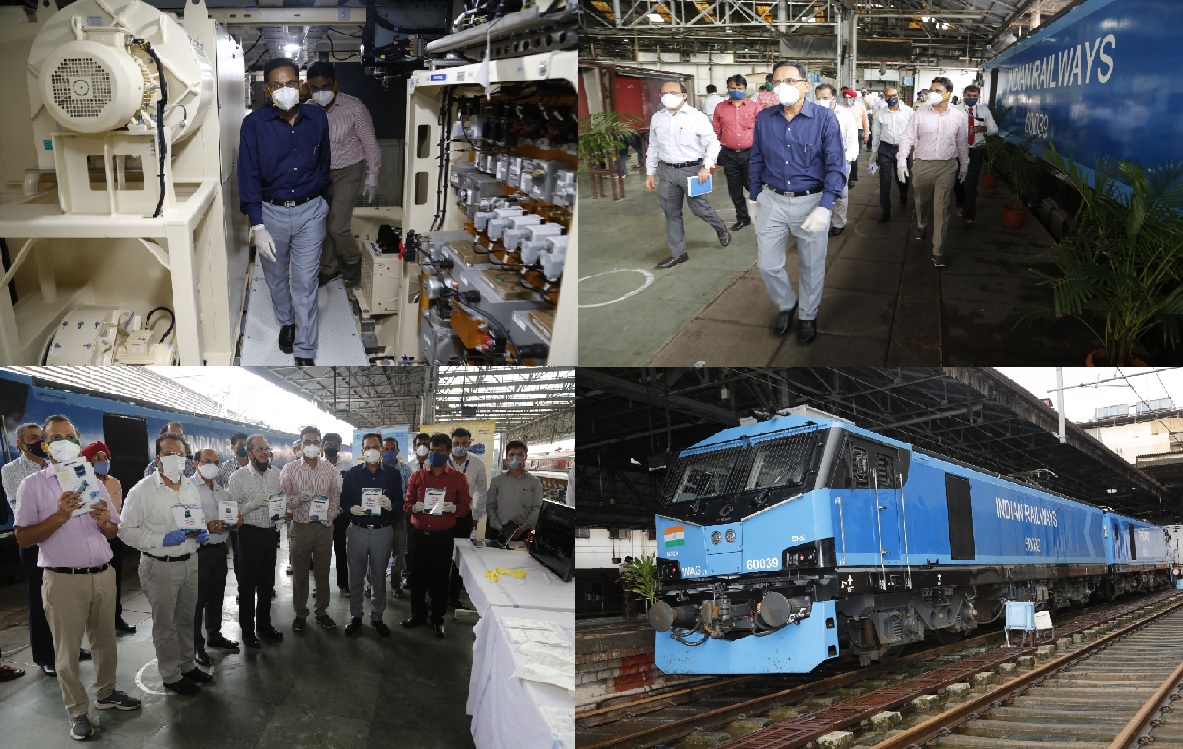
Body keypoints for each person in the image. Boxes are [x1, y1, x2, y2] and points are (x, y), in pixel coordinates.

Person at [13, 415, 141, 740]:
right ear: (45, 446)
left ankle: (106, 693)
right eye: (56, 438)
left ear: (77, 443)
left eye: (70, 437)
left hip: (102, 574)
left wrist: (103, 522)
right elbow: (24, 538)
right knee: (67, 651)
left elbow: (113, 529)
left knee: (105, 641)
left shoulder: (93, 481)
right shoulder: (33, 485)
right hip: (63, 579)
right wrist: (61, 515)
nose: (64, 442)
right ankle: (77, 711)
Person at [239, 57, 332, 366]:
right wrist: (257, 224)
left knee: (305, 281)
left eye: (291, 83)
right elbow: (248, 174)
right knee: (277, 279)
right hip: (272, 214)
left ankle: (305, 350)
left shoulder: (317, 119)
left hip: (310, 212)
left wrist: (321, 201)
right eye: (278, 85)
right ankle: (287, 323)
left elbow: (324, 164)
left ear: (300, 85)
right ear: (268, 90)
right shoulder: (253, 125)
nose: (286, 90)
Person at [749, 60, 846, 345]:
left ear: (806, 84)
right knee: (767, 264)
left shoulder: (825, 119)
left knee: (812, 265)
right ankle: (787, 303)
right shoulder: (765, 119)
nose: (783, 87)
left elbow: (836, 165)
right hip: (773, 199)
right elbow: (756, 159)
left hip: (811, 199)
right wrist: (753, 198)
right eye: (777, 82)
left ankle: (807, 315)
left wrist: (826, 205)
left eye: (790, 81)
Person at [119, 432, 214, 695]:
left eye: (180, 454)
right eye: (169, 454)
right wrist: (162, 539)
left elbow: (195, 518)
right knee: (165, 623)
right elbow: (125, 531)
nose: (175, 459)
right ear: (158, 459)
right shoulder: (142, 491)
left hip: (190, 561)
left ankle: (187, 665)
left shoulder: (189, 486)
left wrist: (201, 531)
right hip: (161, 565)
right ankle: (171, 675)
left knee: (186, 618)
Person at [3, 422, 86, 676]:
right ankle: (45, 655)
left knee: (68, 598)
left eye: (41, 438)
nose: (38, 442)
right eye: (32, 438)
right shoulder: (12, 471)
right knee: (40, 600)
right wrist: (58, 509)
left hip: (64, 537)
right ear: (20, 443)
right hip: (35, 542)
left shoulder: (61, 466)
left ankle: (71, 646)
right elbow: (22, 508)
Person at [306, 61, 382, 287]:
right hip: (320, 175)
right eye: (315, 88)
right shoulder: (308, 109)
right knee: (323, 223)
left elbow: (370, 144)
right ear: (309, 89)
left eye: (326, 86)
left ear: (335, 84)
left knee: (337, 225)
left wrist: (372, 176)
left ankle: (353, 258)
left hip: (348, 170)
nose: (321, 93)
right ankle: (329, 268)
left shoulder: (354, 108)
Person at [646, 81, 730, 270]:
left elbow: (713, 143)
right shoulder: (657, 118)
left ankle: (720, 227)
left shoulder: (696, 117)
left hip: (693, 170)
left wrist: (706, 167)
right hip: (666, 171)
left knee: (700, 208)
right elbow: (653, 146)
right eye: (664, 92)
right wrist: (649, 172)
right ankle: (679, 253)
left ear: (684, 95)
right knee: (671, 213)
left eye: (673, 92)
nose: (668, 95)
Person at [402, 433, 472, 639]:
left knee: (440, 580)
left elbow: (465, 507)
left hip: (442, 537)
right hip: (418, 536)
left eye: (439, 451)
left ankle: (438, 619)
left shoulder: (459, 478)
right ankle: (417, 615)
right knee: (417, 578)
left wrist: (454, 508)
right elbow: (407, 504)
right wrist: (413, 507)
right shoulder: (417, 476)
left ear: (448, 452)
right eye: (432, 450)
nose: (434, 454)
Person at [897, 76, 970, 268]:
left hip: (947, 166)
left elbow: (962, 143)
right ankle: (922, 223)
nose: (932, 94)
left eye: (937, 90)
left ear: (948, 94)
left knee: (942, 208)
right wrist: (901, 161)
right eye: (931, 90)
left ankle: (938, 250)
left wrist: (964, 165)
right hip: (923, 165)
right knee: (921, 201)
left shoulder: (958, 117)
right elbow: (907, 138)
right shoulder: (920, 114)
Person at [280, 426, 342, 631]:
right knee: (300, 573)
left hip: (324, 528)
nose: (312, 446)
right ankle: (300, 613)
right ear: (300, 444)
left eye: (316, 442)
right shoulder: (290, 469)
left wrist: (331, 517)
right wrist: (298, 499)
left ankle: (322, 611)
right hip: (300, 527)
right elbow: (283, 499)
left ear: (321, 445)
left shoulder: (329, 469)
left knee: (323, 572)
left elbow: (335, 496)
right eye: (307, 442)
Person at [341, 433, 403, 637]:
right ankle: (356, 616)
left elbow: (400, 504)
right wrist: (352, 511)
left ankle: (377, 617)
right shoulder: (352, 474)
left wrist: (390, 505)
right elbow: (344, 501)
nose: (372, 451)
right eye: (368, 447)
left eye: (376, 447)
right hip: (357, 530)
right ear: (362, 451)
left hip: (382, 531)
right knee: (356, 576)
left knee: (378, 577)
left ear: (382, 449)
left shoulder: (393, 474)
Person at [227, 434, 285, 648]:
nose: (264, 453)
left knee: (267, 583)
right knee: (247, 585)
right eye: (259, 449)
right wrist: (251, 505)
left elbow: (280, 503)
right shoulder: (238, 478)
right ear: (249, 453)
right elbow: (230, 513)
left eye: (266, 449)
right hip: (249, 534)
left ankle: (264, 625)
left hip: (270, 534)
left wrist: (281, 515)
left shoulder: (275, 475)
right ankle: (247, 631)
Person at [190, 449, 240, 668]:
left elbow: (228, 516)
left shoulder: (220, 491)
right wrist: (205, 526)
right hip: (199, 552)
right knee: (196, 601)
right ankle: (196, 646)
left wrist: (235, 521)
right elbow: (185, 521)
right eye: (206, 461)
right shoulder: (187, 489)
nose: (212, 465)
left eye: (216, 462)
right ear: (195, 464)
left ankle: (214, 635)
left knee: (216, 596)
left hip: (220, 549)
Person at [80, 441, 136, 634]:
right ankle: (93, 622)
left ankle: (116, 617)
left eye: (105, 458)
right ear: (88, 461)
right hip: (92, 538)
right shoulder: (82, 483)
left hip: (112, 535)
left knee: (114, 579)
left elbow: (117, 511)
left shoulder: (114, 482)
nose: (102, 462)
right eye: (97, 458)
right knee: (92, 584)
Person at [712, 74, 760, 232]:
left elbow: (762, 130)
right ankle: (743, 218)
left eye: (739, 88)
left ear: (745, 89)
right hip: (729, 154)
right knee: (735, 190)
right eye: (733, 88)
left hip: (750, 154)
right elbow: (716, 131)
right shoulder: (720, 107)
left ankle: (761, 216)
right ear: (728, 89)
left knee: (753, 186)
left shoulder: (754, 107)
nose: (736, 91)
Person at [447, 428, 487, 610]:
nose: (460, 447)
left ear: (470, 443)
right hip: (442, 516)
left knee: (460, 559)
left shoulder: (478, 464)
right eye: (456, 444)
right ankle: (435, 596)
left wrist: (476, 516)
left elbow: (481, 491)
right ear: (451, 443)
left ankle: (454, 596)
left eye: (464, 443)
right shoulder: (442, 462)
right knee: (440, 556)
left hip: (464, 517)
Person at [813, 84, 860, 238]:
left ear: (833, 97)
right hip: (817, 162)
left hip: (841, 160)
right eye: (818, 98)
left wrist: (848, 160)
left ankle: (838, 223)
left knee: (840, 194)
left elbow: (853, 140)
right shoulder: (812, 114)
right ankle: (822, 223)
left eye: (825, 98)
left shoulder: (845, 115)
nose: (821, 101)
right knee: (818, 193)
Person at [952, 84, 997, 227]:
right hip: (959, 150)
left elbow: (994, 130)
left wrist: (982, 128)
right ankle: (960, 203)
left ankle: (969, 215)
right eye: (969, 96)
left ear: (978, 96)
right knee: (958, 181)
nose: (972, 98)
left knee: (970, 183)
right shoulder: (955, 110)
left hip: (976, 150)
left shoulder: (984, 111)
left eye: (975, 96)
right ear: (963, 95)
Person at [485, 441, 544, 543]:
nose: (516, 458)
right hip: (499, 532)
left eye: (520, 454)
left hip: (524, 533)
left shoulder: (535, 482)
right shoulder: (497, 481)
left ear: (526, 456)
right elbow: (490, 506)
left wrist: (522, 528)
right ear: (507, 458)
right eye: (512, 454)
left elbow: (537, 508)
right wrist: (499, 527)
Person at [871, 86, 914, 223]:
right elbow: (876, 134)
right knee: (884, 181)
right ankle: (885, 211)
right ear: (885, 98)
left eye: (894, 95)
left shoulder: (908, 112)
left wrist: (916, 150)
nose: (892, 98)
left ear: (899, 95)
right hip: (885, 149)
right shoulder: (880, 113)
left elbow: (914, 132)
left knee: (902, 178)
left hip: (902, 150)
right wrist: (874, 152)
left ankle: (903, 196)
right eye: (888, 96)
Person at [217, 432, 249, 598]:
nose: (243, 448)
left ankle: (263, 585)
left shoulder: (256, 464)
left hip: (254, 517)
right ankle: (241, 588)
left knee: (258, 555)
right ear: (233, 447)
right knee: (239, 556)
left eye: (246, 444)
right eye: (240, 445)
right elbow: (219, 491)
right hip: (235, 519)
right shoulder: (226, 467)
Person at [322, 432, 354, 594]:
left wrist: (343, 508)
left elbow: (351, 491)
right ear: (323, 446)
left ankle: (344, 584)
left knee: (341, 550)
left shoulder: (348, 466)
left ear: (339, 447)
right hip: (322, 515)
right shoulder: (317, 466)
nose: (331, 447)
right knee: (321, 552)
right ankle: (321, 586)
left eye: (334, 444)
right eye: (328, 444)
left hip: (342, 516)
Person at [839, 87, 869, 185]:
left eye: (850, 98)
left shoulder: (860, 107)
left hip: (857, 132)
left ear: (854, 98)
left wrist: (866, 134)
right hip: (842, 132)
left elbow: (865, 121)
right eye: (846, 98)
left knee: (853, 155)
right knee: (842, 154)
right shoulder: (839, 107)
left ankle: (852, 178)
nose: (848, 99)